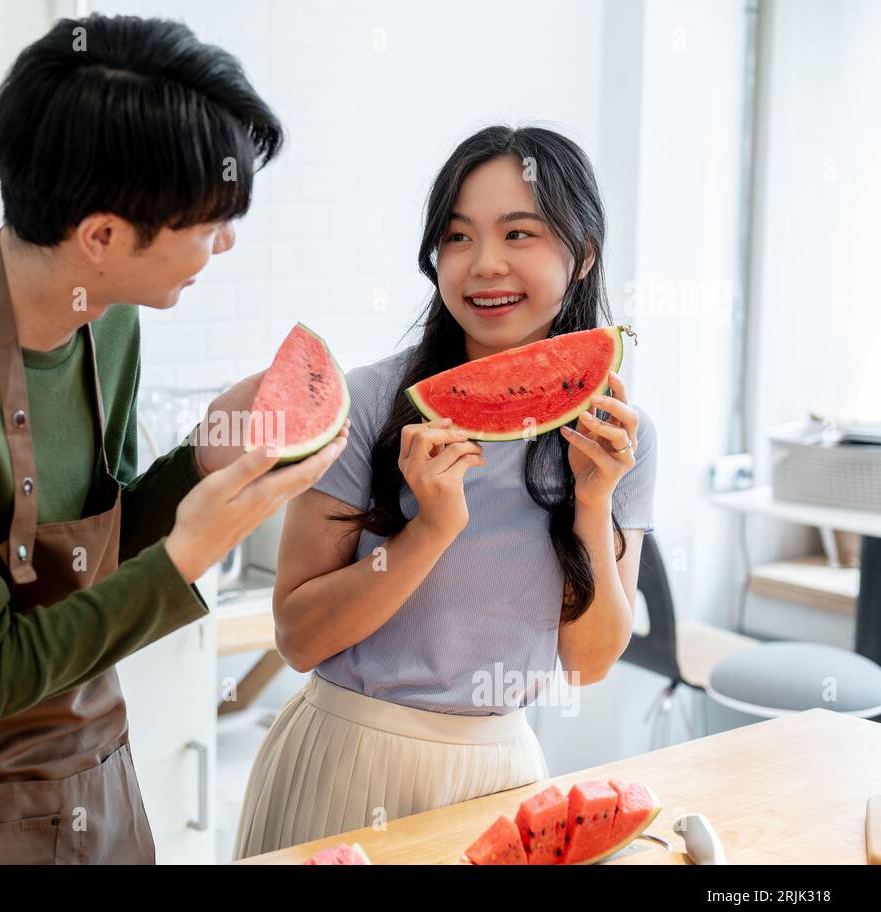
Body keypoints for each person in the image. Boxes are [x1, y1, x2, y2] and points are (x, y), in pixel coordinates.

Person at [0, 13, 347, 864]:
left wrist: (206, 455)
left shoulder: (106, 323)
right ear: (101, 237)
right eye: (209, 222)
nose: (225, 243)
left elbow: (95, 554)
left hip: (96, 783)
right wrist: (185, 558)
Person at [233, 125, 658, 859]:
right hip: (346, 759)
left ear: (582, 252)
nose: (484, 265)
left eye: (518, 233)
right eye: (457, 238)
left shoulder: (618, 435)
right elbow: (299, 638)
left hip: (502, 774)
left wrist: (592, 504)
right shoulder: (367, 402)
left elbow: (586, 665)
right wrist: (427, 531)